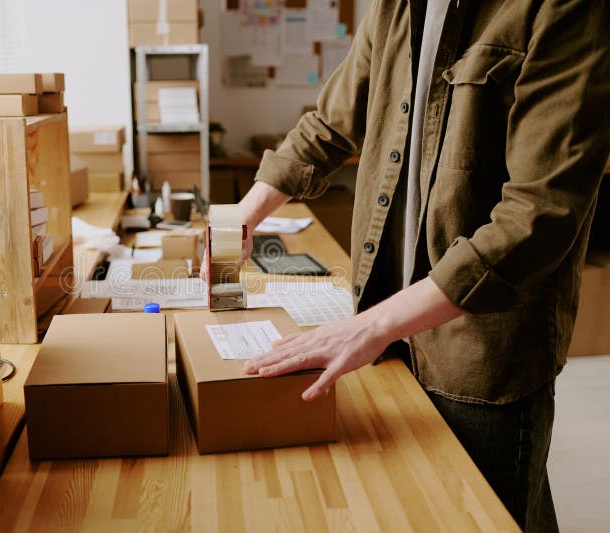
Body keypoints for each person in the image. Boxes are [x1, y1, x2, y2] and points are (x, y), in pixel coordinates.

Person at [214, 1, 609, 531]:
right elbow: (330, 124)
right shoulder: (395, 7)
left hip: (476, 355)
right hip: (389, 335)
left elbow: (538, 217)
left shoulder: (563, 9)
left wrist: (370, 326)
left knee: (489, 517)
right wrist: (242, 216)